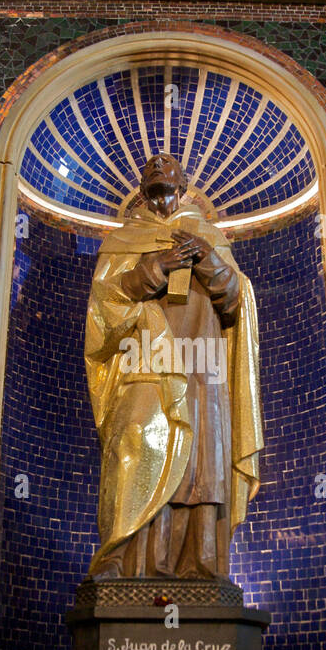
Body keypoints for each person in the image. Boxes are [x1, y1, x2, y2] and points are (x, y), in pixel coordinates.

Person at [84, 151, 262, 579]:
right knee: (137, 444)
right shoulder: (123, 240)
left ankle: (200, 567)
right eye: (151, 169)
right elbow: (103, 307)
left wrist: (209, 259)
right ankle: (125, 564)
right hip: (145, 362)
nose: (158, 168)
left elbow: (237, 302)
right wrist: (152, 269)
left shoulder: (209, 236)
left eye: (168, 167)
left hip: (203, 366)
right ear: (142, 188)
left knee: (202, 465)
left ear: (183, 186)